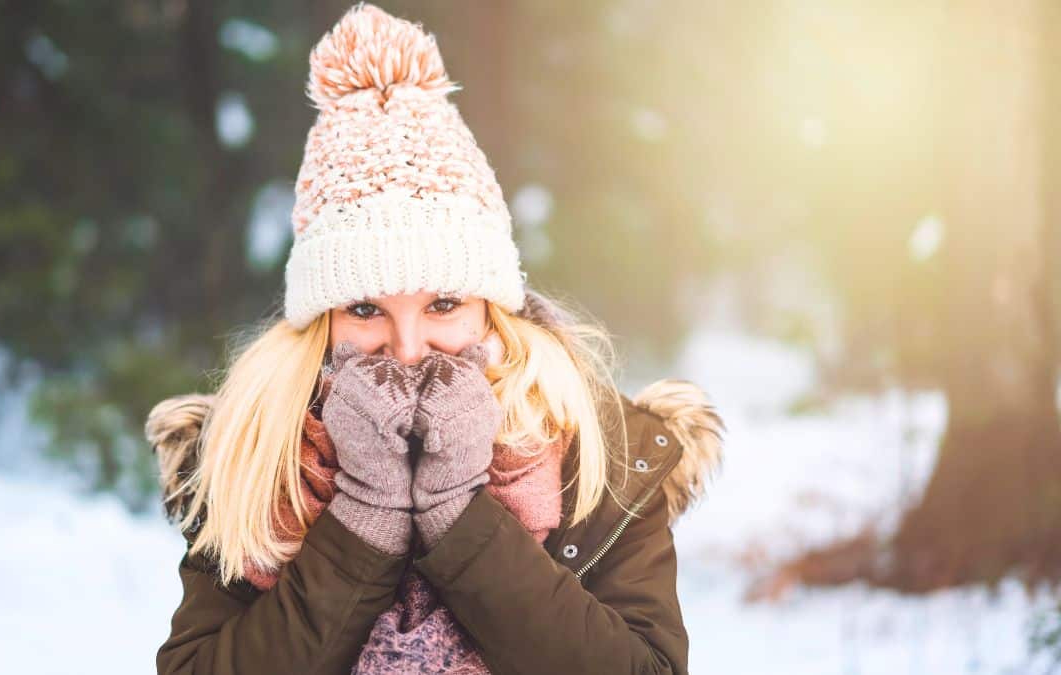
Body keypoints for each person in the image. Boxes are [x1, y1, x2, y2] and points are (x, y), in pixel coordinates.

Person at [146, 3, 725, 673]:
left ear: (491, 309)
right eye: (366, 308)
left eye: (443, 303)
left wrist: (462, 520)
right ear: (320, 322)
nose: (409, 347)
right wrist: (362, 519)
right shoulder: (250, 456)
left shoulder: (602, 453)